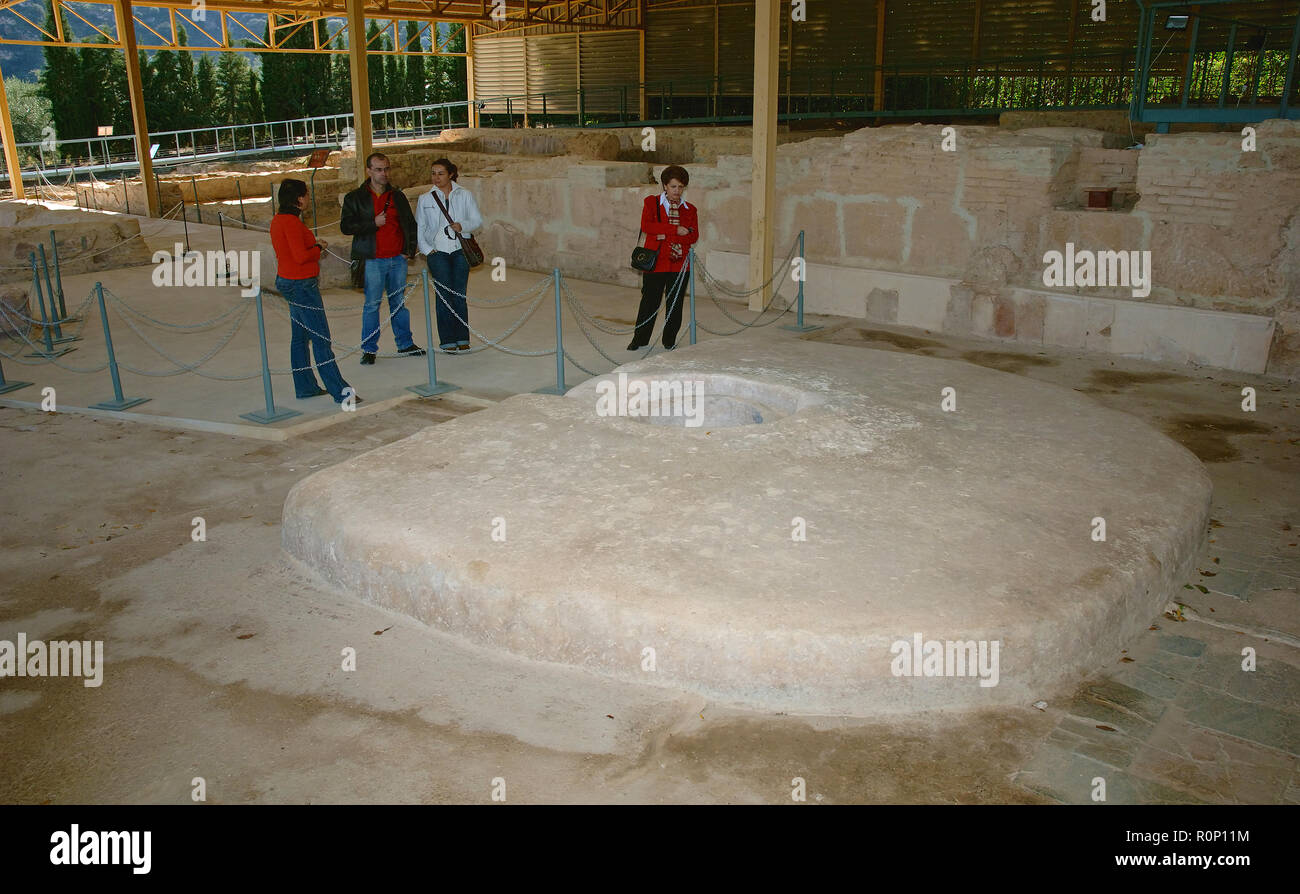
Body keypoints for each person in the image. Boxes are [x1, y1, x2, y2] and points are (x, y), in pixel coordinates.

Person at [269, 179, 358, 405]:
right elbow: (300, 256)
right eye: (306, 194)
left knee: (300, 338)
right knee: (321, 338)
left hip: (288, 280)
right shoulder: (291, 222)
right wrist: (319, 248)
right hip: (301, 284)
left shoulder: (279, 220)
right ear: (299, 199)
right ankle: (340, 392)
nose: (308, 198)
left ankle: (305, 386)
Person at [340, 152, 425, 365]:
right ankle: (369, 349)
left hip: (397, 259)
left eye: (386, 168)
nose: (384, 173)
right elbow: (346, 226)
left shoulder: (397, 196)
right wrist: (372, 223)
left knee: (399, 303)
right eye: (378, 169)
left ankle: (405, 344)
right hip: (372, 260)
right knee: (371, 305)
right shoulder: (355, 198)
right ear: (368, 171)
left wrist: (410, 248)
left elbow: (410, 224)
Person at [628, 165, 699, 351]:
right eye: (674, 186)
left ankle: (669, 340)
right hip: (657, 262)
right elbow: (647, 226)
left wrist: (663, 234)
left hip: (680, 265)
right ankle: (640, 339)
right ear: (665, 186)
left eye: (681, 187)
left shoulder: (690, 209)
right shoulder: (651, 203)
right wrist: (675, 230)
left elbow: (693, 236)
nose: (677, 191)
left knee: (674, 305)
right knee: (649, 302)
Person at [416, 157, 483, 353]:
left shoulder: (465, 195)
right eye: (433, 173)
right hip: (438, 252)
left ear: (451, 174)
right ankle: (447, 340)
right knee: (444, 295)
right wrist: (428, 250)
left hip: (460, 250)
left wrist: (463, 226)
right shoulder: (425, 198)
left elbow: (477, 220)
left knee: (459, 295)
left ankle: (462, 337)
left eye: (440, 173)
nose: (436, 177)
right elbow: (421, 226)